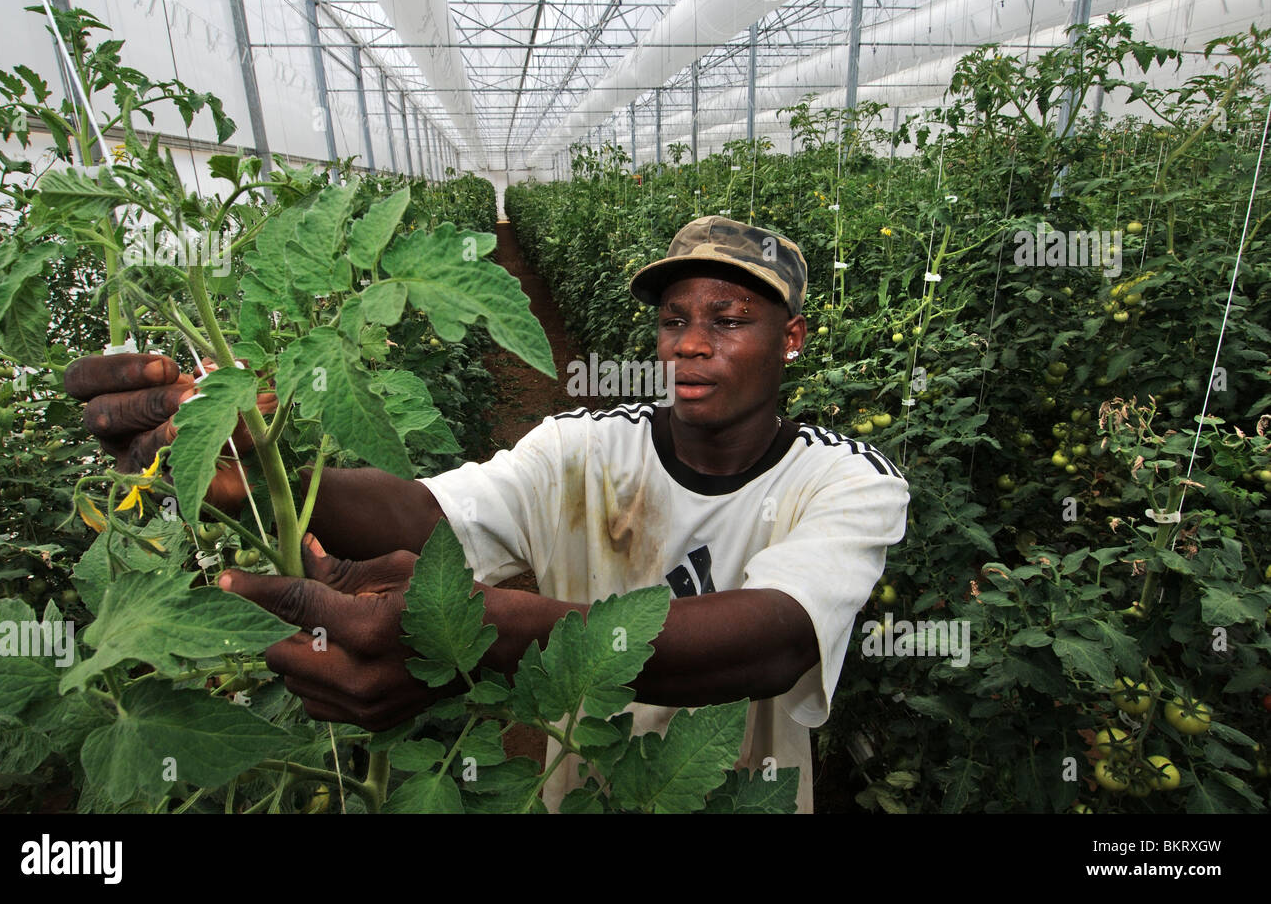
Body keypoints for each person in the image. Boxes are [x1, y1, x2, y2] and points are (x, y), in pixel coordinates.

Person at [63, 215, 910, 813]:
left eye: (728, 321)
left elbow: (774, 637)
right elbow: (426, 513)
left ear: (792, 338)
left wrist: (483, 630)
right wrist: (263, 469)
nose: (689, 345)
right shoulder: (584, 448)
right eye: (673, 321)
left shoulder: (846, 481)